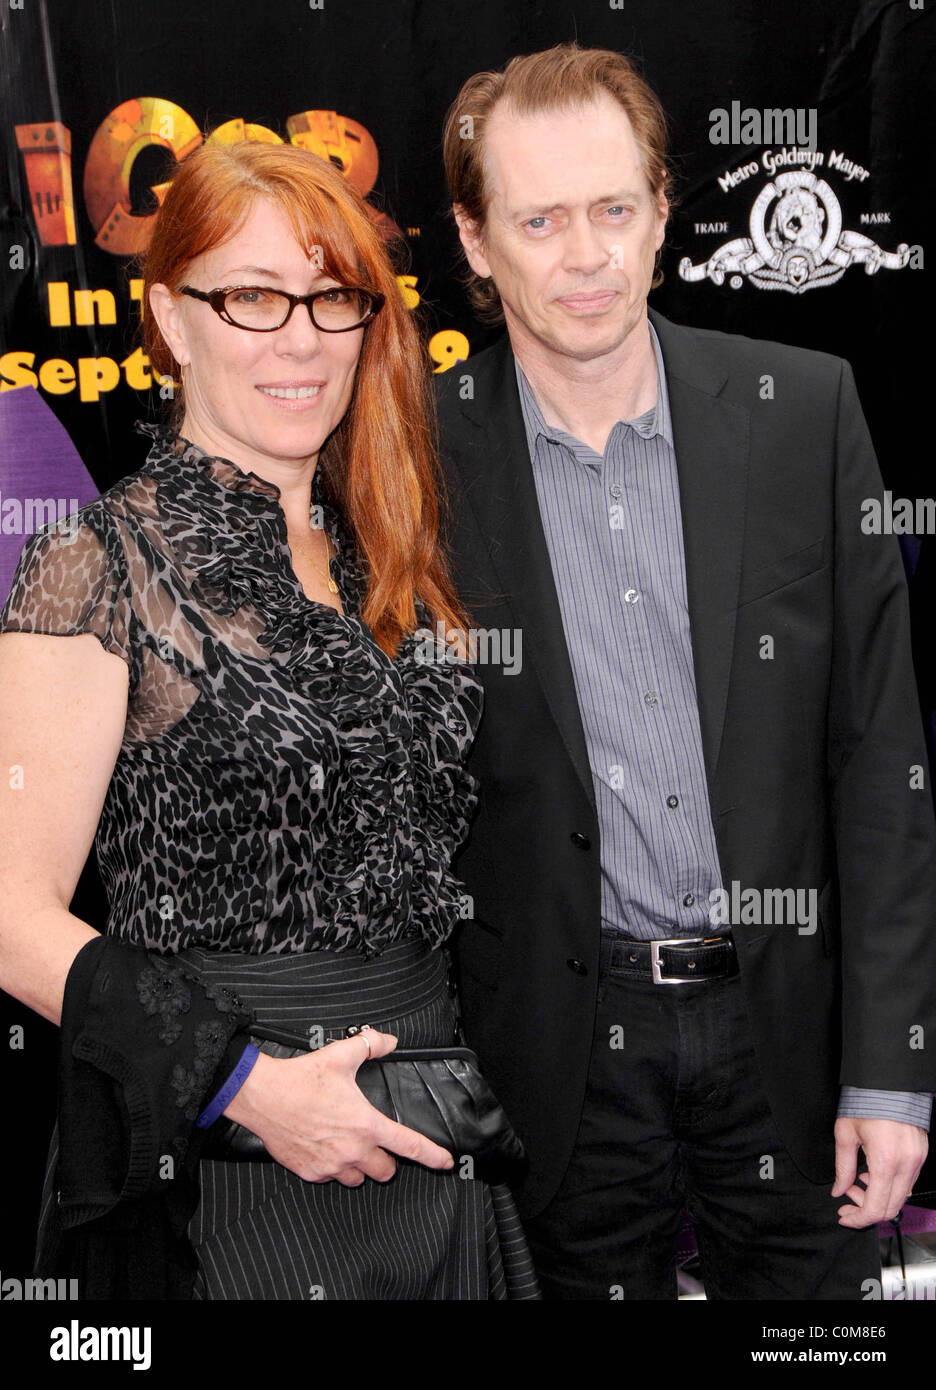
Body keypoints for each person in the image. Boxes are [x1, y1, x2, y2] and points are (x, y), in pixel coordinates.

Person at [434, 43, 936, 1299]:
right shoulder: (414, 458)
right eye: (539, 220)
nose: (586, 255)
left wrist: (890, 1069)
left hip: (791, 1043)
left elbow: (883, 762)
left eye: (614, 208)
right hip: (554, 1063)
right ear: (476, 243)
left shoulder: (805, 412)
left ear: (663, 211)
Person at [0, 139, 538, 1301]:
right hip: (228, 1164)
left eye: (332, 296)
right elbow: (9, 918)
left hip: (432, 1140)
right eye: (252, 297)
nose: (302, 338)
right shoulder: (99, 562)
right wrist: (246, 1085)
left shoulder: (391, 555)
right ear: (171, 318)